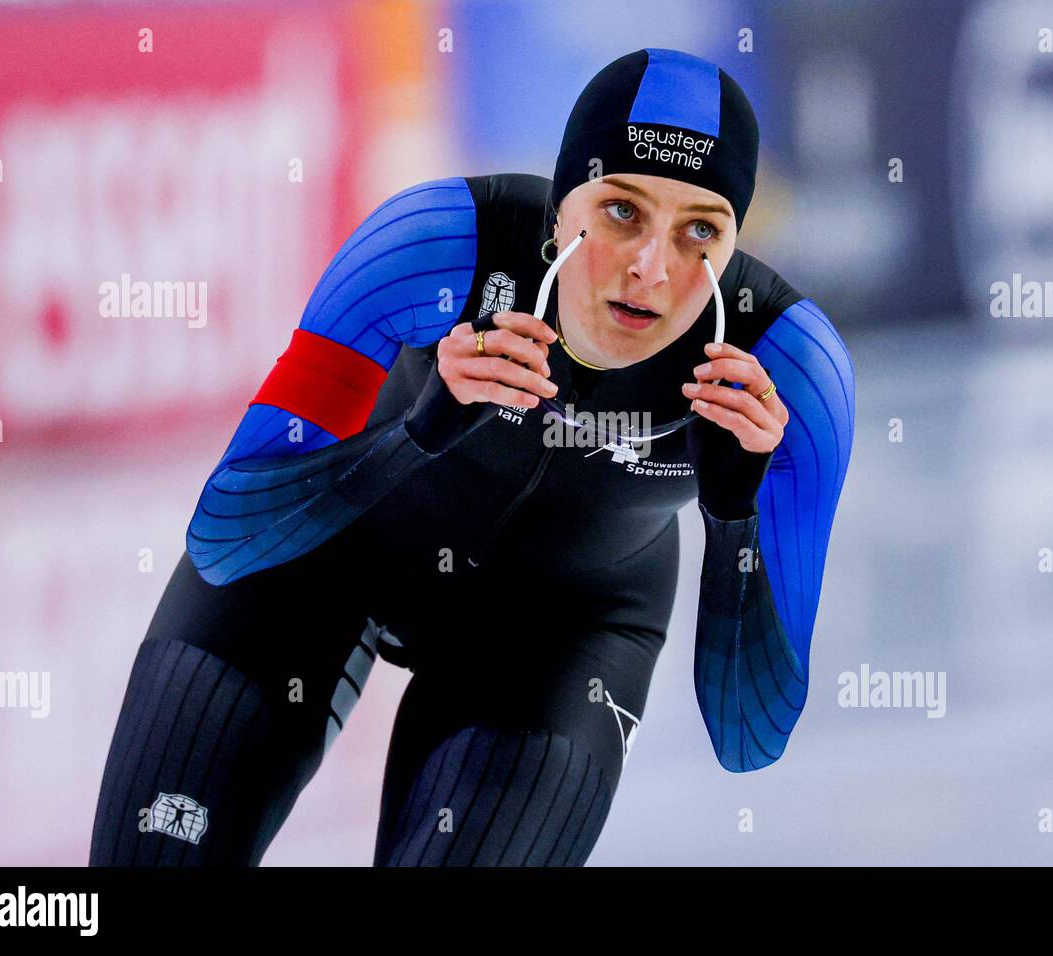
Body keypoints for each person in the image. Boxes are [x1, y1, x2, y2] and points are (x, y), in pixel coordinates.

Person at [89, 47, 855, 867]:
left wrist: (733, 513)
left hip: (556, 640)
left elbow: (750, 735)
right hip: (320, 559)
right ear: (563, 204)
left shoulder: (789, 368)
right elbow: (226, 538)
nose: (650, 266)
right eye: (622, 211)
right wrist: (419, 431)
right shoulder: (436, 245)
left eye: (700, 230)